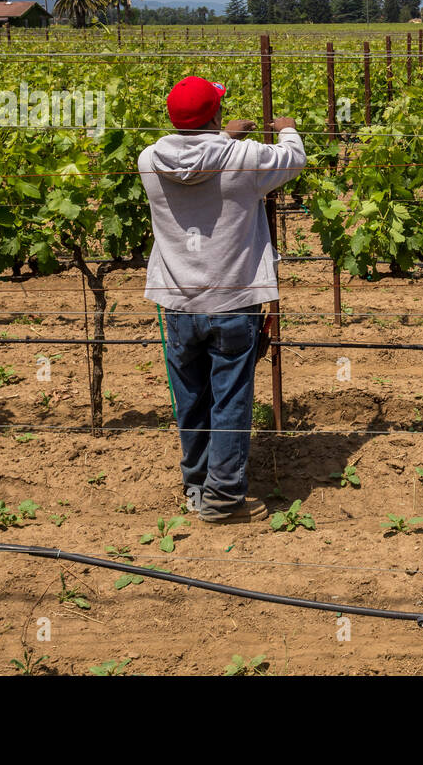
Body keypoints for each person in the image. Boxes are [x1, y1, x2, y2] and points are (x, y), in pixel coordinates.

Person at [138, 76, 306, 523]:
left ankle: (195, 486)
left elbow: (196, 164)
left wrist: (223, 137)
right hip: (234, 301)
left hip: (177, 304)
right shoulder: (246, 158)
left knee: (190, 397)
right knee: (229, 400)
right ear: (214, 115)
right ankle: (223, 497)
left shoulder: (149, 160)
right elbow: (293, 159)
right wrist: (286, 128)